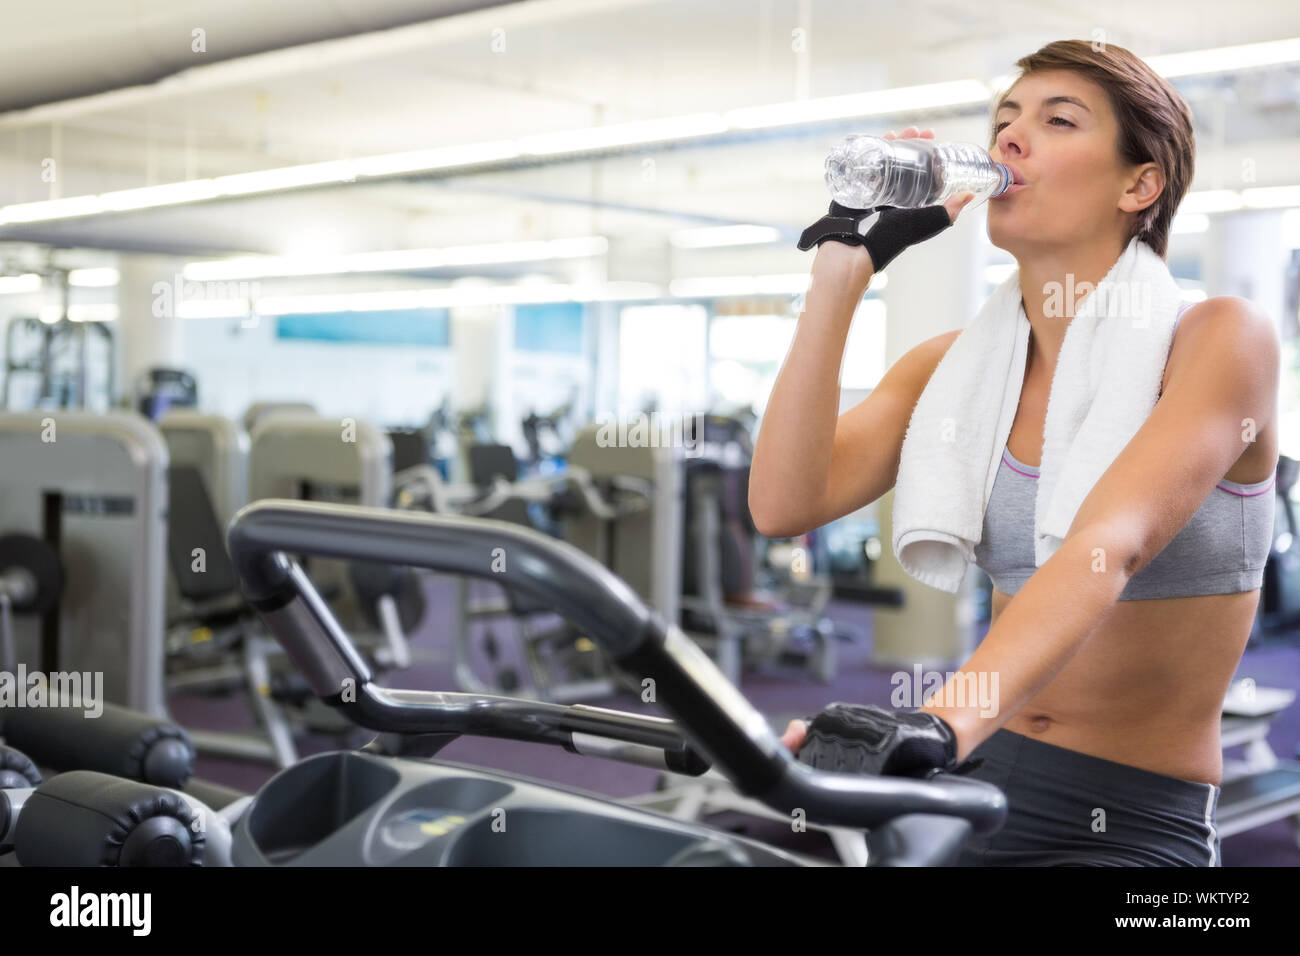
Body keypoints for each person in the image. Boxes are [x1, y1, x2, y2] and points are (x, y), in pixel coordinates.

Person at [750, 39, 1280, 866]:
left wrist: (937, 722)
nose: (1009, 141)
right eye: (1003, 121)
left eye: (1055, 120)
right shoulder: (955, 367)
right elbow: (784, 502)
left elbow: (1109, 543)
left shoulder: (1217, 340)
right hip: (977, 780)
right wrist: (841, 272)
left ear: (1140, 184)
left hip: (1131, 819)